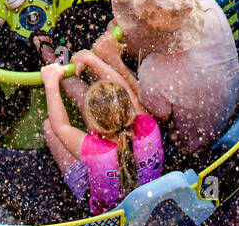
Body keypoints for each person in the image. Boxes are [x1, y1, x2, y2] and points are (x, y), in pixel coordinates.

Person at [91, 0, 239, 160]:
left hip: (195, 145)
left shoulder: (156, 73)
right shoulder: (206, 3)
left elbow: (155, 116)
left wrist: (115, 63)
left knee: (101, 74)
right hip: (235, 107)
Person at [39, 51, 163, 215]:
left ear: (93, 128)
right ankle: (55, 64)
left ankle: (50, 60)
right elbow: (126, 90)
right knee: (81, 96)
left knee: (48, 126)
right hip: (144, 201)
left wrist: (50, 83)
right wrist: (93, 61)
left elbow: (59, 127)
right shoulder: (149, 127)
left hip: (107, 213)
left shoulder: (94, 152)